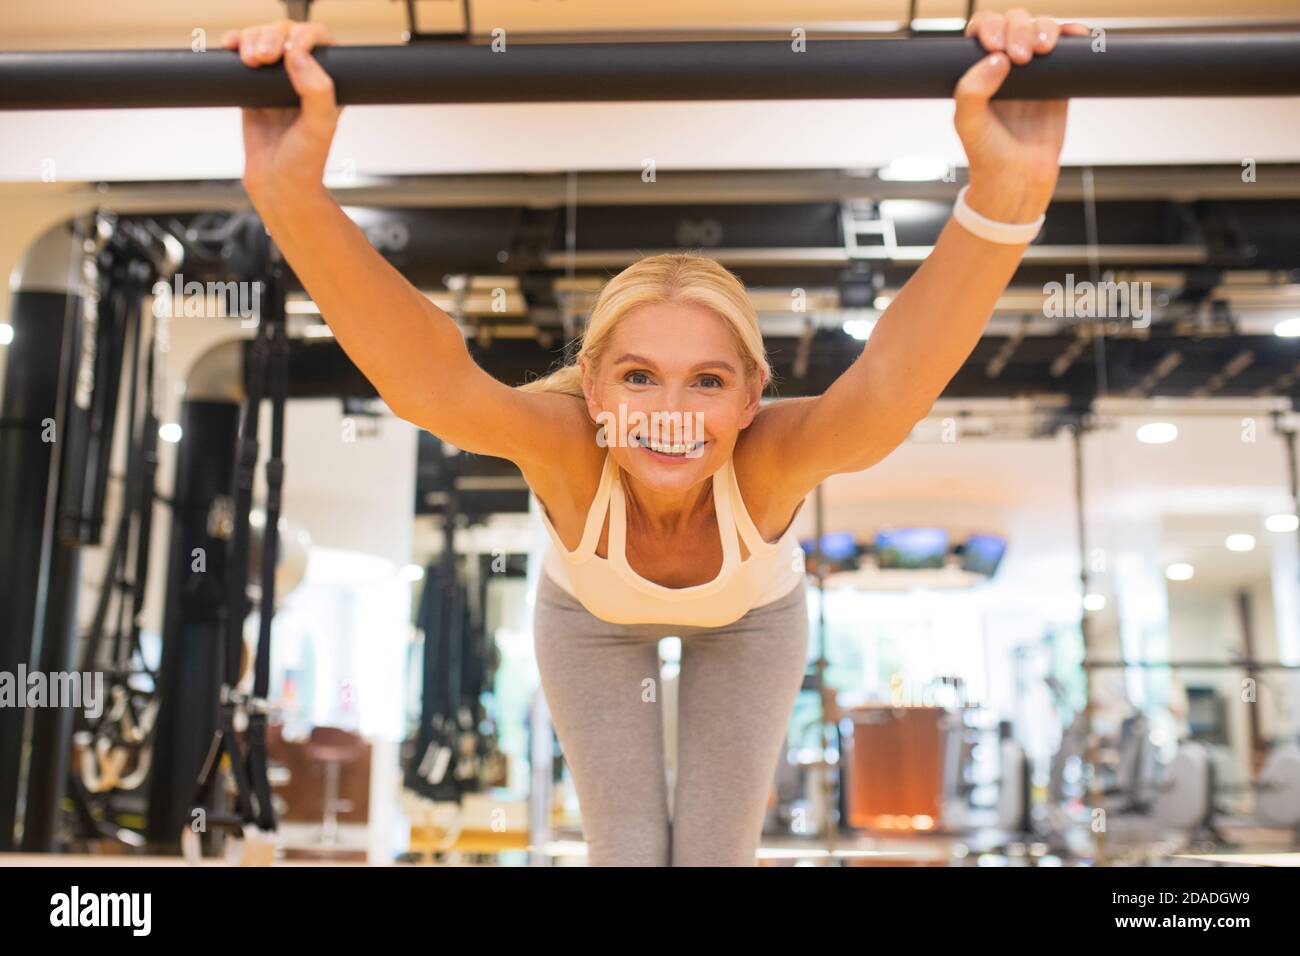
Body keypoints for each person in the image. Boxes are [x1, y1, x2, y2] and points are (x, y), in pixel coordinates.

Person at [224, 8, 1087, 865]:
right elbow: (434, 387)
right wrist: (290, 196)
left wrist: (1005, 200)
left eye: (707, 381)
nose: (669, 410)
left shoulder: (768, 463)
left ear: (753, 395)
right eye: (638, 377)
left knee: (716, 857)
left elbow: (889, 390)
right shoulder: (570, 444)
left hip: (752, 620)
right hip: (590, 620)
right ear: (593, 385)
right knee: (628, 855)